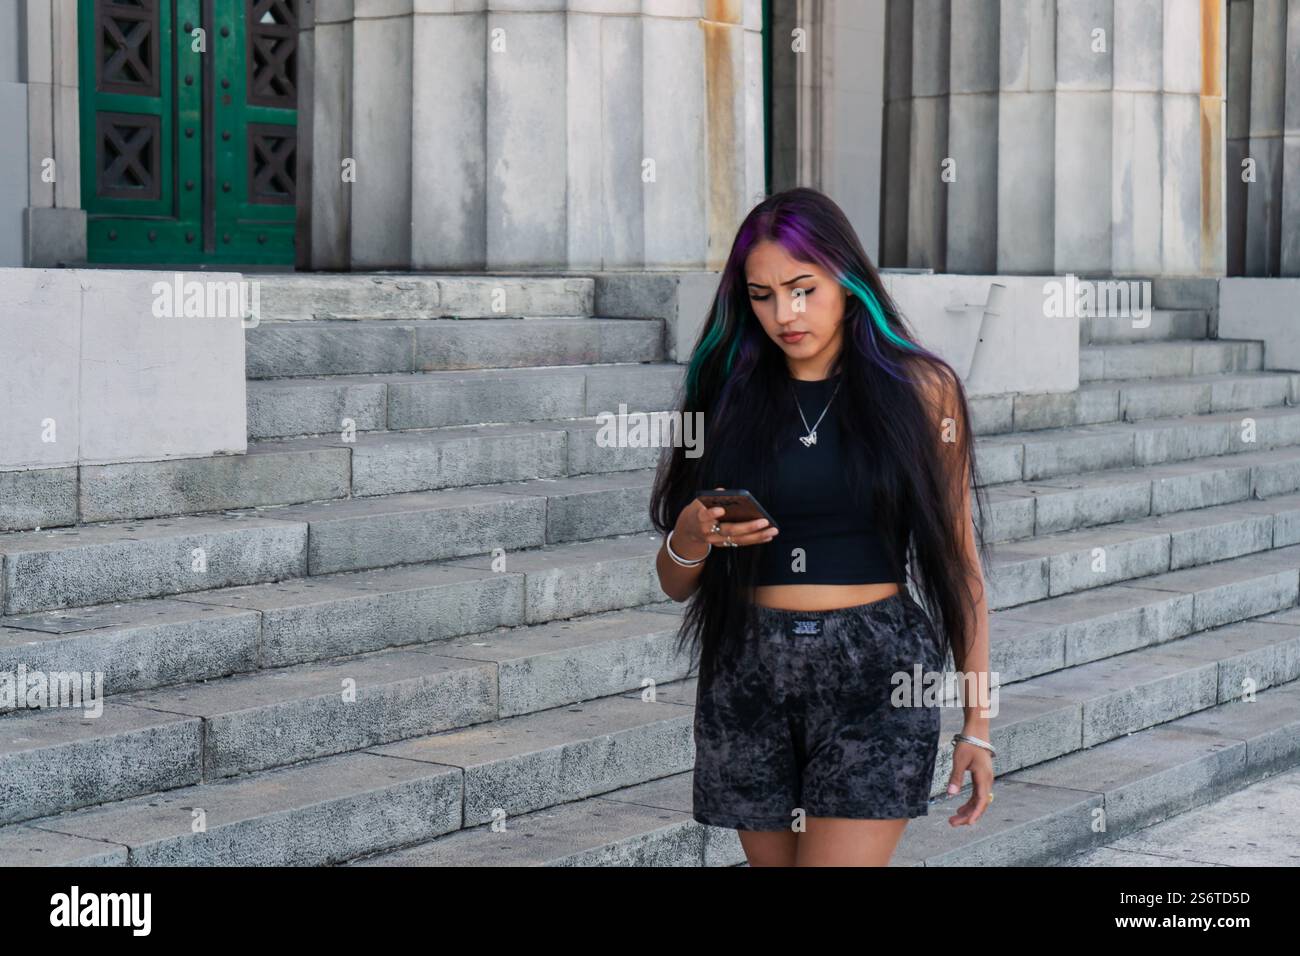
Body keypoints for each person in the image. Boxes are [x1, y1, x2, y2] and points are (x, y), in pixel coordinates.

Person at [649, 187, 995, 867]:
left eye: (802, 288)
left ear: (845, 277)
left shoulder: (923, 392)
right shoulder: (725, 393)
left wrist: (977, 723)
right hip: (748, 668)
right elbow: (674, 582)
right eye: (762, 295)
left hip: (877, 672)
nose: (785, 314)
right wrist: (690, 536)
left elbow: (959, 565)